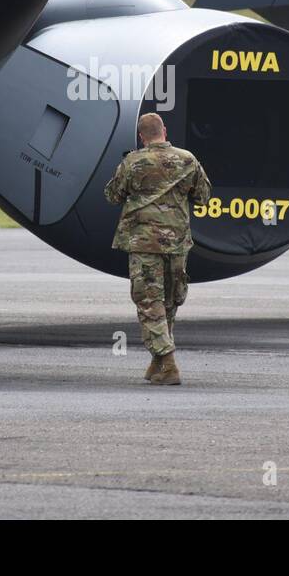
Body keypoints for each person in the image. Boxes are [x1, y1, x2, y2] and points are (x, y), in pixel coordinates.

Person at [103, 112, 212, 384]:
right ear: (164, 130)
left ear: (142, 136)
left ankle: (169, 361)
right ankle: (158, 363)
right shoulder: (187, 159)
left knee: (149, 302)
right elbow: (203, 196)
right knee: (169, 302)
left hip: (145, 244)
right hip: (177, 243)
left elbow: (112, 195)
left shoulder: (133, 162)